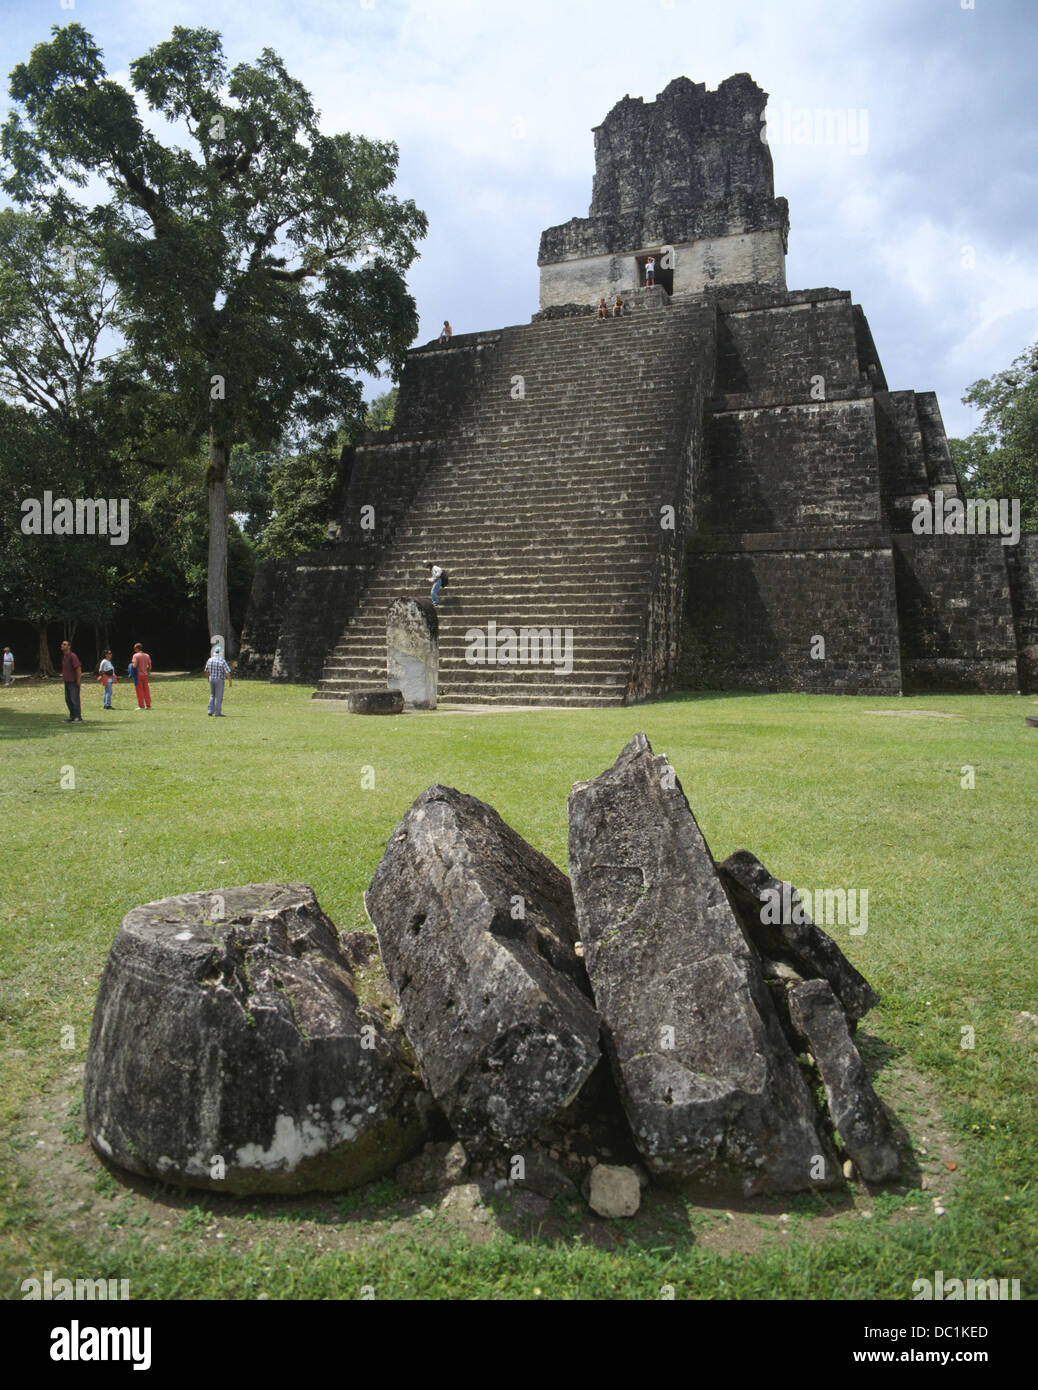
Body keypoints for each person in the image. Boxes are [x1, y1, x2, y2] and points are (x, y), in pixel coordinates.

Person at [204, 645, 232, 716]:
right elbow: (227, 672)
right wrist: (230, 681)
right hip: (219, 679)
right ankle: (217, 712)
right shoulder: (222, 661)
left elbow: (206, 671)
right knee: (218, 696)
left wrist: (208, 678)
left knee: (212, 695)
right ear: (221, 653)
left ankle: (210, 710)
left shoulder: (210, 660)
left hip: (211, 679)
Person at [60, 640, 83, 722]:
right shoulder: (64, 657)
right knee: (68, 699)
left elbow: (78, 668)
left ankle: (78, 717)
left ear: (69, 646)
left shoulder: (73, 656)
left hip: (73, 681)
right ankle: (72, 716)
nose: (62, 646)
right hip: (67, 681)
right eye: (62, 644)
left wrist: (78, 680)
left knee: (74, 699)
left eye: (65, 644)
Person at [131, 642, 152, 710]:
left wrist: (130, 666)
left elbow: (134, 665)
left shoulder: (135, 656)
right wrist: (144, 668)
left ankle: (141, 706)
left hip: (138, 675)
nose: (134, 650)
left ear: (137, 648)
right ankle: (148, 705)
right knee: (146, 690)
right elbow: (150, 666)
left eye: (134, 648)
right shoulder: (147, 655)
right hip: (145, 675)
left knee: (139, 691)